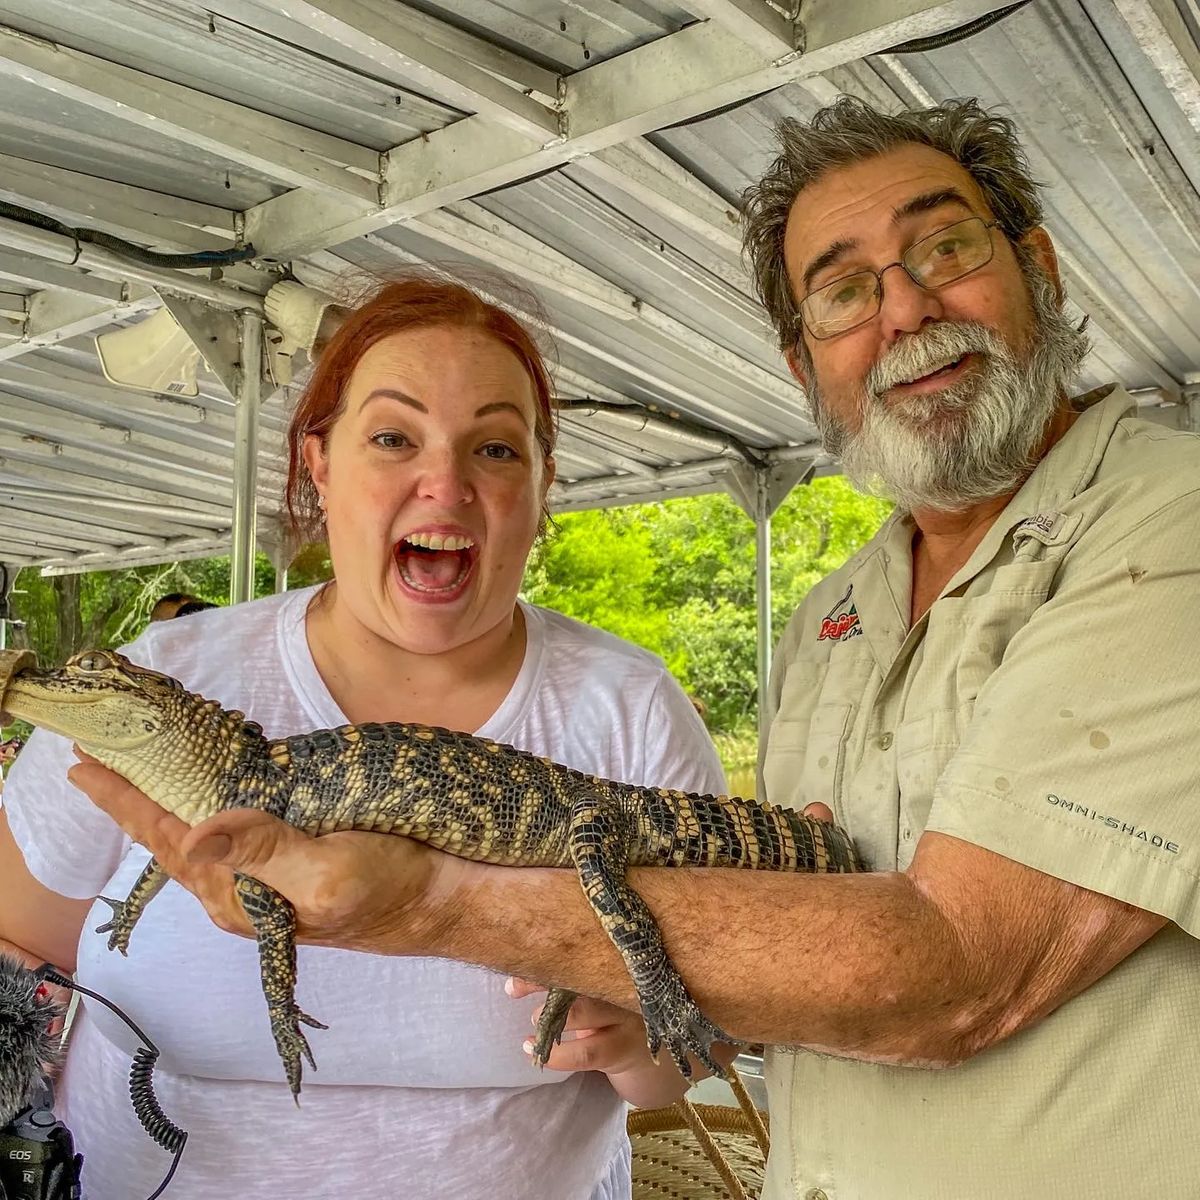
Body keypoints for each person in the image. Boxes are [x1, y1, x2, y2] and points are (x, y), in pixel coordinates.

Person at [66, 97, 1200, 1199]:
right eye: (843, 292)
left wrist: (433, 906)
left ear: (1040, 269)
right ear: (808, 368)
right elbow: (783, 926)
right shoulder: (834, 617)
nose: (902, 310)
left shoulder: (1169, 527)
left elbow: (954, 973)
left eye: (943, 246)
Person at [0, 275, 729, 1200]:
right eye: (392, 437)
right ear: (320, 463)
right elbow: (16, 948)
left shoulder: (627, 705)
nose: (447, 484)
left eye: (496, 448)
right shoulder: (161, 680)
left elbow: (694, 1047)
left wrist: (636, 1040)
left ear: (543, 487)